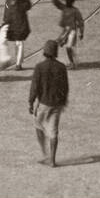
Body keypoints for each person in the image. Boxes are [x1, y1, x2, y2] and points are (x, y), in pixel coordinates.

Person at [28, 39, 69, 167]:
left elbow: (34, 87)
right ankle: (52, 160)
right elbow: (65, 87)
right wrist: (63, 101)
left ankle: (45, 154)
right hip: (57, 104)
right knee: (54, 132)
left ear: (45, 52)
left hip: (44, 103)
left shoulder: (40, 67)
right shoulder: (61, 67)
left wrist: (31, 102)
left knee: (38, 126)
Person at [0, 0, 32, 70]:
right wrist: (5, 18)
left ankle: (18, 64)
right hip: (10, 19)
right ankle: (5, 61)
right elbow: (6, 6)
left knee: (19, 42)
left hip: (20, 20)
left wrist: (18, 3)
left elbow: (28, 6)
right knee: (2, 39)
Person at [53, 0, 85, 69]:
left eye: (68, 1)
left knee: (69, 47)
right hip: (65, 31)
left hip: (72, 31)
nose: (67, 2)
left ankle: (73, 63)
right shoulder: (64, 7)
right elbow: (56, 2)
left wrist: (81, 33)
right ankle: (73, 62)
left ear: (72, 2)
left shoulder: (75, 11)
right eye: (67, 1)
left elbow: (81, 22)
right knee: (63, 45)